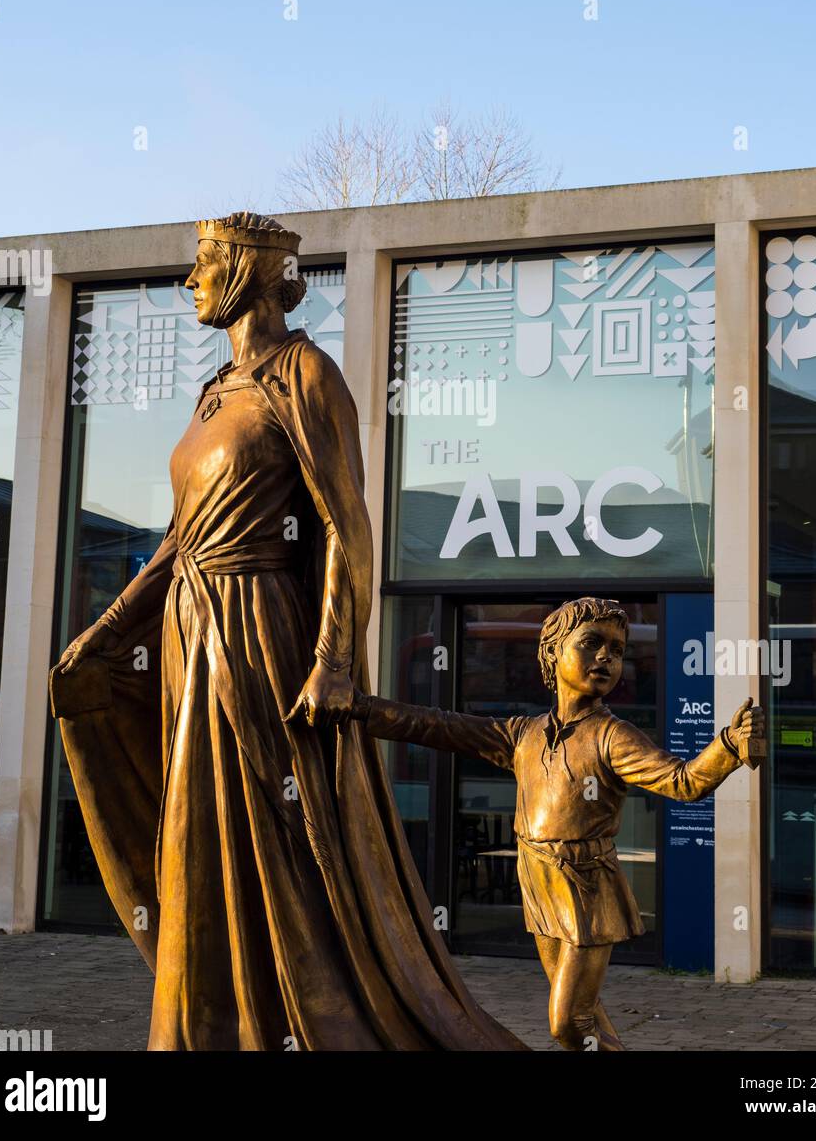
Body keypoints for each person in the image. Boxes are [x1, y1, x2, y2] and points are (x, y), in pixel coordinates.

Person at [51, 211, 523, 1052]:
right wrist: (107, 629)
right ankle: (210, 1025)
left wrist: (334, 660)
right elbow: (177, 538)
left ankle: (310, 1021)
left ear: (253, 273)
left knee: (278, 831)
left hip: (261, 628)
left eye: (204, 264)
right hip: (190, 632)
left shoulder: (305, 373)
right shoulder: (212, 393)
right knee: (196, 828)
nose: (189, 281)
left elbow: (346, 523)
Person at [308, 595, 765, 1052]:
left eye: (618, 649)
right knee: (590, 1021)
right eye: (592, 643)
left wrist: (728, 745)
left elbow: (682, 781)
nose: (607, 656)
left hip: (585, 886)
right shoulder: (522, 734)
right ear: (552, 653)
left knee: (569, 1024)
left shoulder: (613, 736)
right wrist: (360, 707)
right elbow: (438, 726)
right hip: (538, 878)